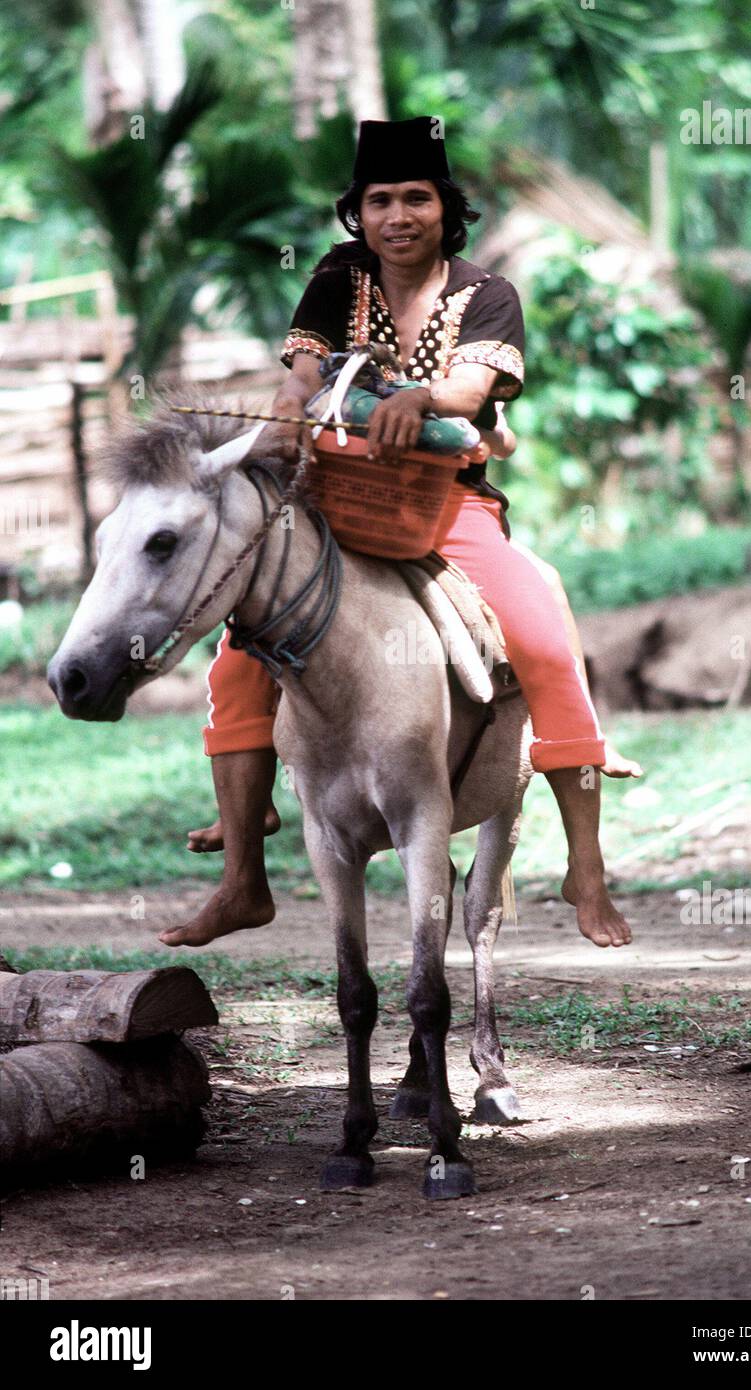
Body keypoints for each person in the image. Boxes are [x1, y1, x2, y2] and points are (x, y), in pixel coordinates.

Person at [159, 117, 641, 952]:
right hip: (336, 501)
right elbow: (304, 372)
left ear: (446, 210)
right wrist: (288, 412)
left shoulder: (488, 292)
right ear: (360, 212)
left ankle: (585, 866)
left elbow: (472, 388)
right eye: (380, 199)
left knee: (540, 631)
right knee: (241, 650)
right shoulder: (338, 276)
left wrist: (425, 400)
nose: (398, 215)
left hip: (448, 504)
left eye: (416, 197)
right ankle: (243, 876)